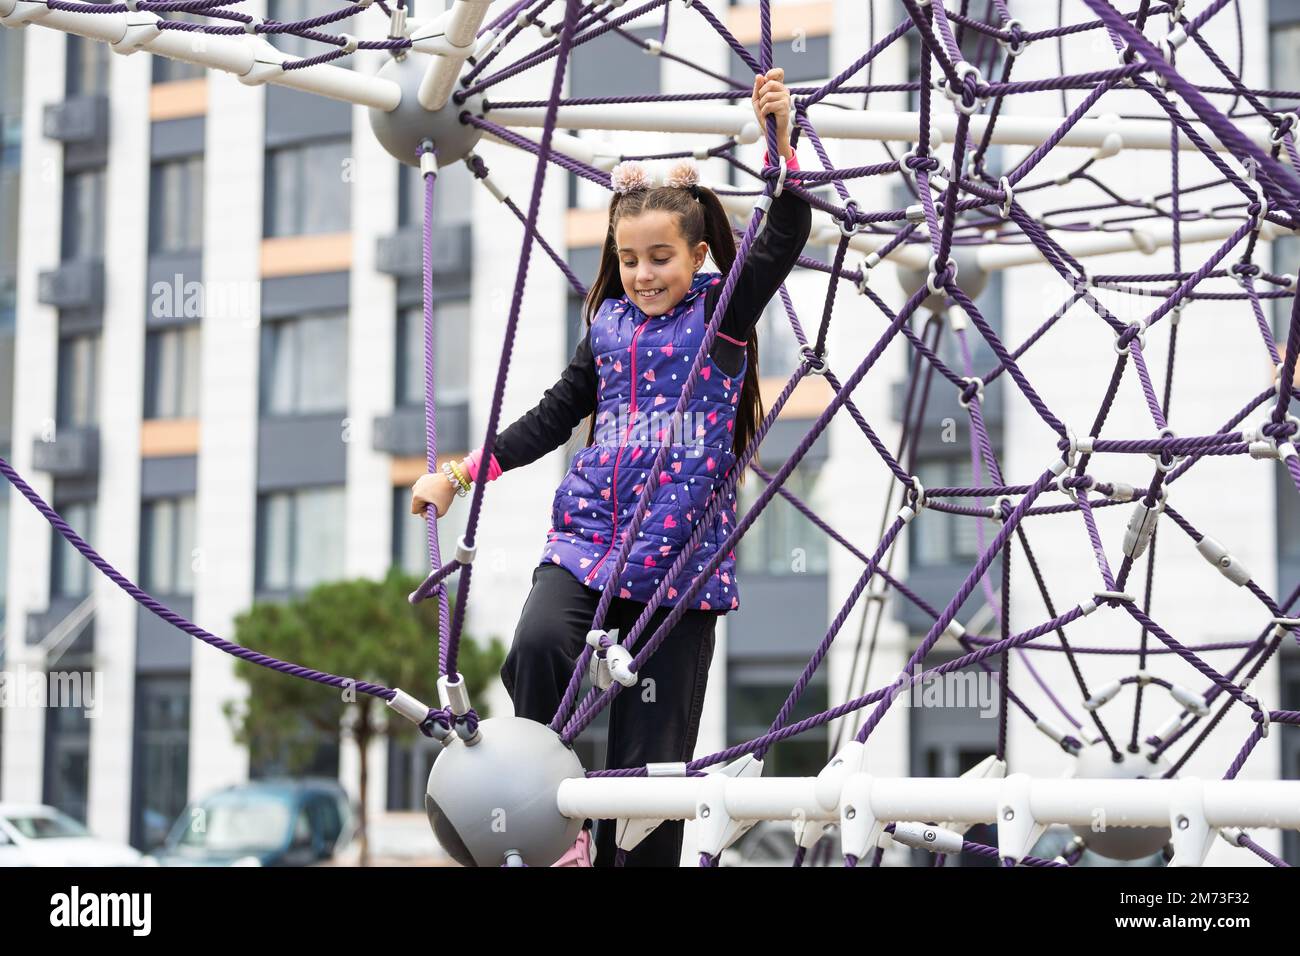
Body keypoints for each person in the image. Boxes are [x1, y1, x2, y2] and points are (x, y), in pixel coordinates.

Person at [410, 67, 812, 867]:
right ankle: (554, 821)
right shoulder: (607, 330)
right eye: (629, 260)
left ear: (700, 257)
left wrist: (779, 143)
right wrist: (459, 475)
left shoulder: (720, 320)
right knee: (534, 646)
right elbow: (552, 417)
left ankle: (627, 852)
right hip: (590, 541)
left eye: (661, 257)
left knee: (649, 779)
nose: (643, 274)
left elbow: (784, 233)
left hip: (677, 567)